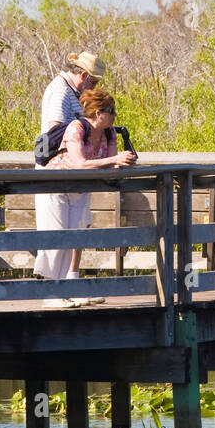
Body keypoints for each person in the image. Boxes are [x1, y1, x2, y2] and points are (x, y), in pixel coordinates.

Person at [33, 87, 137, 305]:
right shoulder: (76, 128)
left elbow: (110, 163)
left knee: (76, 236)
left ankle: (69, 290)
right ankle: (51, 294)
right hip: (55, 186)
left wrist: (123, 162)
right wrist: (114, 160)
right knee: (57, 237)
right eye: (111, 110)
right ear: (98, 113)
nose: (115, 115)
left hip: (79, 189)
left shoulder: (109, 133)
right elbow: (79, 163)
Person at [42, 51, 105, 132]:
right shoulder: (62, 91)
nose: (93, 88)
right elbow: (54, 132)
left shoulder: (71, 90)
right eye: (93, 83)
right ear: (83, 75)